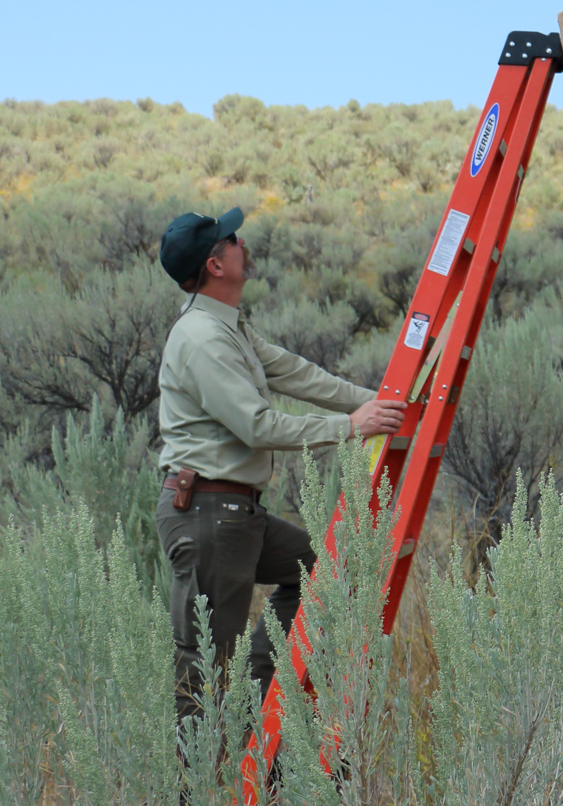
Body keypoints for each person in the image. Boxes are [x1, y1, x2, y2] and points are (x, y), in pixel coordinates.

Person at [152, 207, 402, 728]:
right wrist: (351, 427)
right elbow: (258, 426)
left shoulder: (229, 328)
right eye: (232, 239)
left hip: (234, 514)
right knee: (203, 675)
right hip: (207, 514)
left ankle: (253, 693)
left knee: (320, 570)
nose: (242, 242)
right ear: (216, 265)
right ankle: (197, 785)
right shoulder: (201, 338)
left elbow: (298, 374)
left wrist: (381, 405)